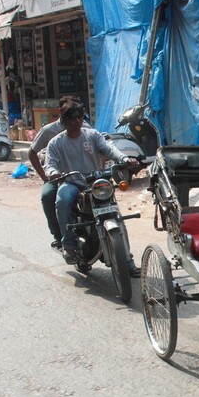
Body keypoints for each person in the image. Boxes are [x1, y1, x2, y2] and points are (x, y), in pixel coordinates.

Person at [44, 101, 141, 274]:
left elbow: (110, 149)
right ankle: (69, 245)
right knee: (62, 200)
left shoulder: (92, 135)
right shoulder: (56, 143)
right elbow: (49, 164)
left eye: (80, 117)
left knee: (116, 216)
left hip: (97, 181)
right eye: (72, 118)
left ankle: (128, 262)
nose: (77, 121)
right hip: (72, 182)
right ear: (64, 120)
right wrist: (53, 173)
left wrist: (124, 159)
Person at [28, 96, 89, 250]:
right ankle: (60, 236)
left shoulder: (86, 129)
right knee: (48, 196)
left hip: (84, 175)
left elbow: (101, 148)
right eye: (70, 115)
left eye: (78, 115)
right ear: (61, 113)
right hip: (59, 177)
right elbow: (32, 152)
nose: (75, 120)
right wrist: (45, 177)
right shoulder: (50, 132)